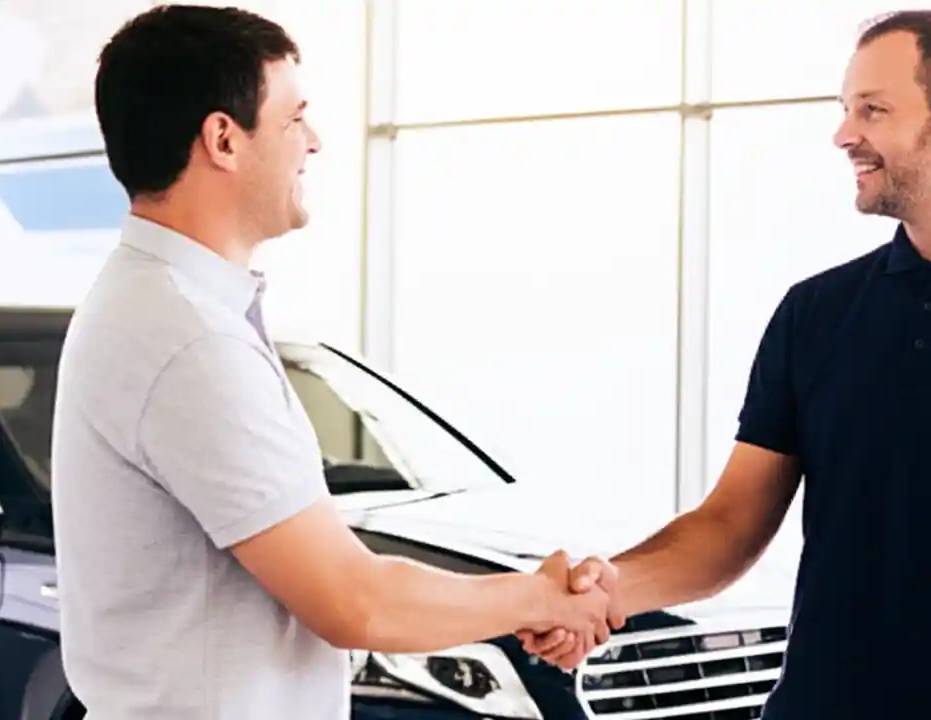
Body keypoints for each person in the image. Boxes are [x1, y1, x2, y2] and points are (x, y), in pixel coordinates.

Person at [522, 10, 931, 719]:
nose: (844, 135)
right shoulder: (816, 314)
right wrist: (609, 587)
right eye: (846, 109)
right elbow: (730, 527)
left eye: (872, 110)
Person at [51, 6, 609, 719]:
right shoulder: (188, 340)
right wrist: (535, 596)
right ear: (223, 138)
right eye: (295, 119)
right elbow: (354, 601)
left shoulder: (162, 307)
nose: (312, 143)